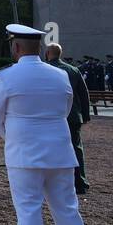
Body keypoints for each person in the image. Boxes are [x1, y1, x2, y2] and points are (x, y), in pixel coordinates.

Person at [0, 25, 95, 225]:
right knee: (68, 212)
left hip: (23, 154)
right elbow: (66, 109)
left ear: (16, 47)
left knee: (28, 212)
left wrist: (13, 136)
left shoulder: (5, 77)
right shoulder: (61, 75)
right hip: (60, 151)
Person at [45, 42, 91, 195]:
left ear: (47, 54)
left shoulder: (46, 70)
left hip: (51, 118)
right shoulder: (73, 70)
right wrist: (85, 115)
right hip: (72, 116)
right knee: (76, 149)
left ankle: (56, 183)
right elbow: (84, 95)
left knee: (51, 150)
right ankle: (80, 182)